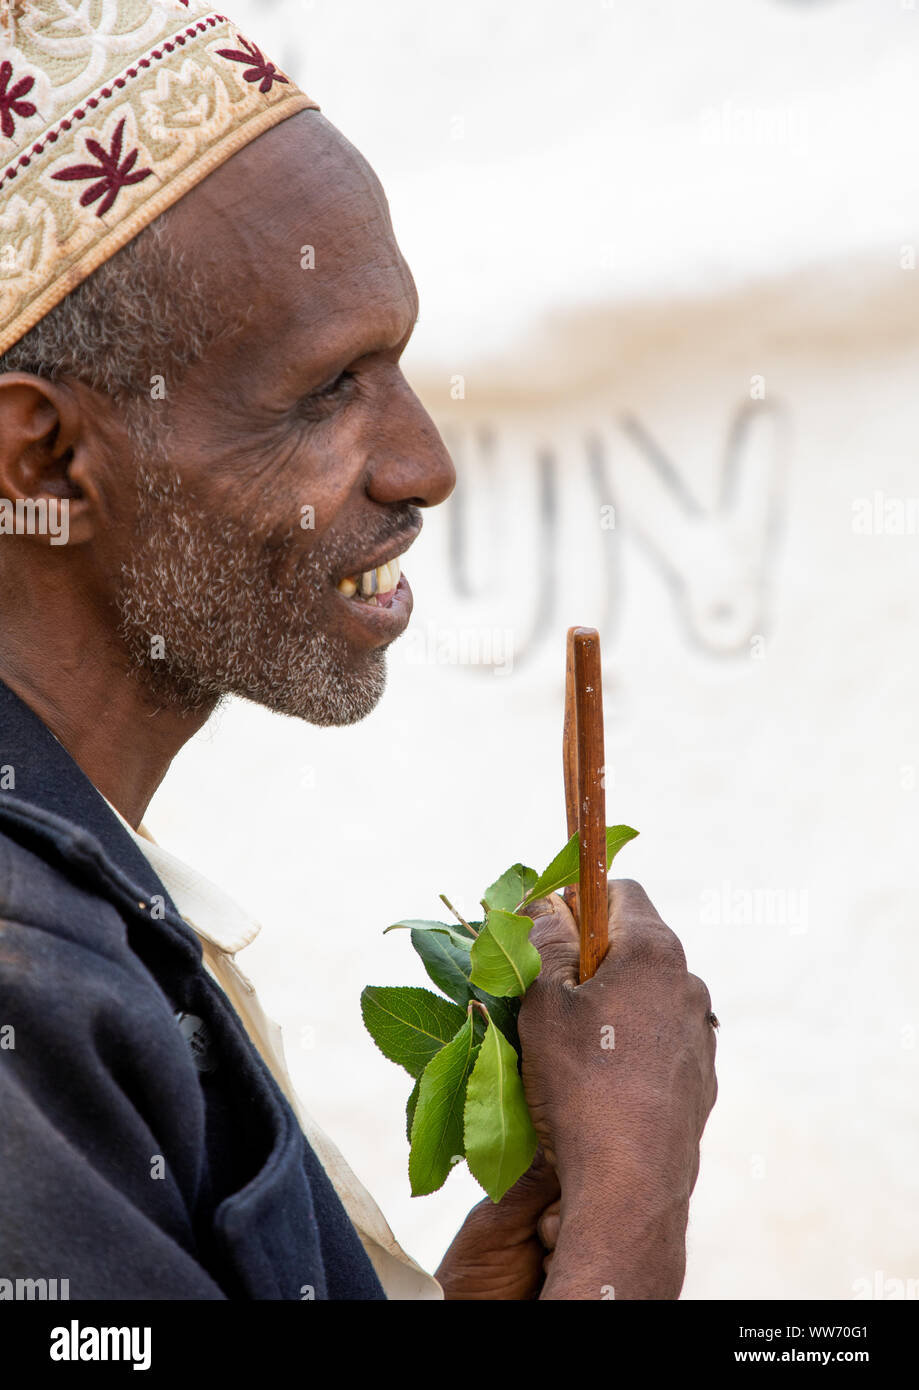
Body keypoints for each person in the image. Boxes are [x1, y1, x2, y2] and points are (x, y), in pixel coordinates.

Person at [0, 0, 717, 1299]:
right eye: (328, 389)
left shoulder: (84, 888)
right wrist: (627, 1211)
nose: (422, 465)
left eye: (397, 365)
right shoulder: (21, 982)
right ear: (44, 455)